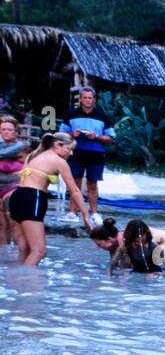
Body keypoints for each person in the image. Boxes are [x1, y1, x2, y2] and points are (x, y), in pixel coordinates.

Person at [5, 132, 92, 265]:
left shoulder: (33, 155)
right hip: (33, 198)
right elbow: (74, 191)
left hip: (17, 197)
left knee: (24, 248)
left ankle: (16, 282)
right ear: (57, 145)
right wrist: (86, 215)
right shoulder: (58, 161)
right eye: (69, 149)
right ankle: (27, 282)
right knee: (39, 251)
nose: (71, 153)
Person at [59, 87, 114, 222]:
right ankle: (72, 212)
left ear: (94, 99)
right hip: (75, 153)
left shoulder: (103, 116)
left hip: (96, 154)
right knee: (74, 183)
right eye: (85, 97)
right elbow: (61, 134)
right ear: (80, 99)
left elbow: (110, 138)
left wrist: (96, 136)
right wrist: (73, 134)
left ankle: (94, 213)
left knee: (92, 184)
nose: (88, 100)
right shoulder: (71, 114)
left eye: (90, 98)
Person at [90, 218, 165, 274]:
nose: (97, 247)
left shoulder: (123, 239)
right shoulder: (122, 244)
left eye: (99, 244)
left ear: (109, 240)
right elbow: (113, 264)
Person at [0, 114, 28, 248]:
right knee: (1, 225)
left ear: (16, 132)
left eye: (9, 129)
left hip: (13, 186)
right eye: (3, 129)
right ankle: (4, 257)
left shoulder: (22, 147)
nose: (6, 132)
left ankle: (19, 255)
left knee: (13, 222)